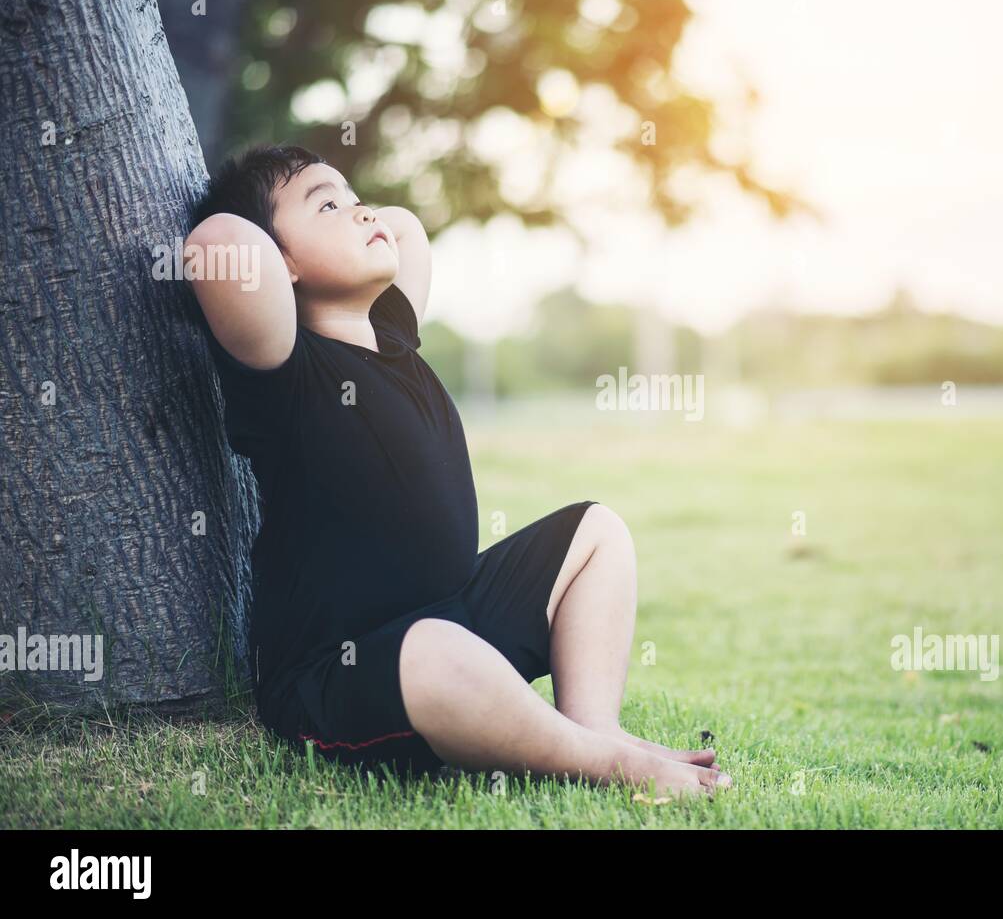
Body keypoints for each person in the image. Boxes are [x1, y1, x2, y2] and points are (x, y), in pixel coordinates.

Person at [182, 144, 732, 798]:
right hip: (346, 673)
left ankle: (595, 725)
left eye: (358, 201)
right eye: (327, 205)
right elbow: (217, 241)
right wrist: (271, 214)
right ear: (282, 262)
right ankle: (603, 761)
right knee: (437, 651)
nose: (363, 214)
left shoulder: (393, 334)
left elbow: (405, 230)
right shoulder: (286, 367)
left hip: (456, 612)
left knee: (598, 530)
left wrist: (340, 212)